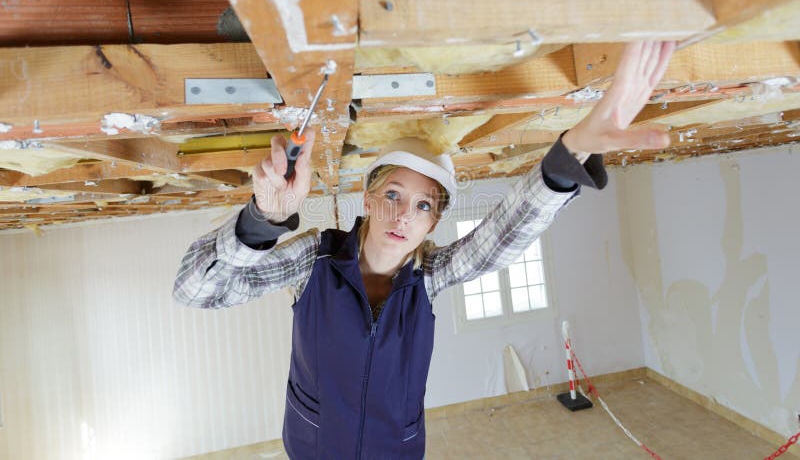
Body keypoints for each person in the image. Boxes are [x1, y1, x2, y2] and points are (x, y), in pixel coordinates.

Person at [173, 40, 676, 459]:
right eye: (392, 196)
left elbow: (499, 239)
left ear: (434, 220)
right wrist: (263, 219)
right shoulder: (314, 260)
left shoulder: (430, 276)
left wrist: (571, 155)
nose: (402, 216)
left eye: (421, 206)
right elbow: (196, 291)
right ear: (368, 199)